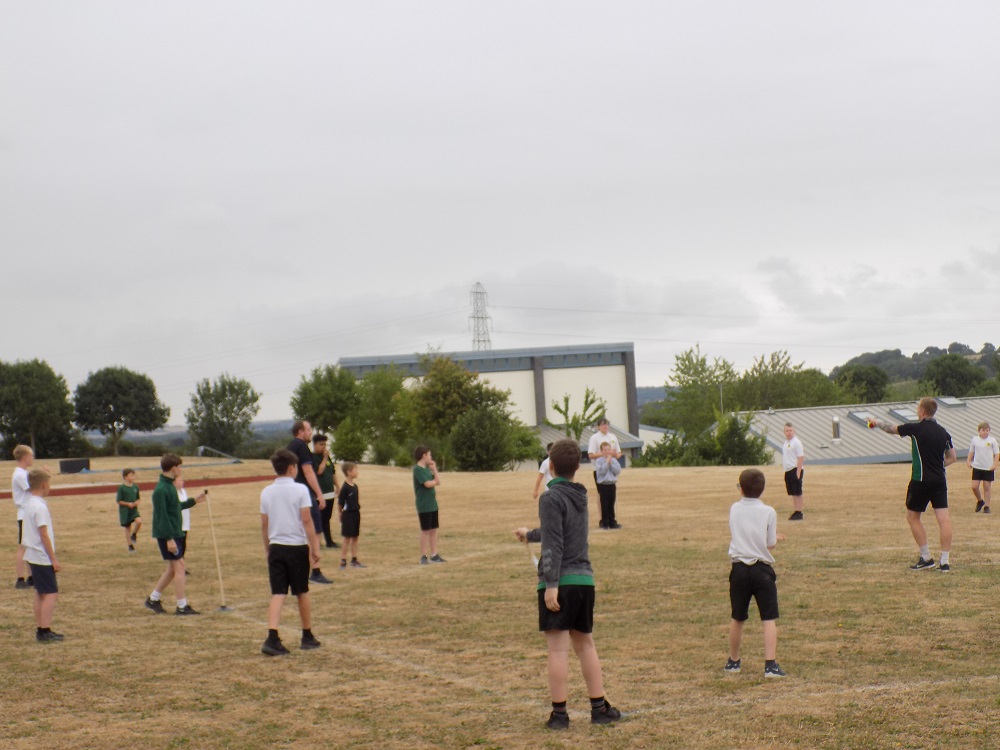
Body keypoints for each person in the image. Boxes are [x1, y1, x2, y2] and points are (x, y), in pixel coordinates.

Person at [514, 438, 622, 730]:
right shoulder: (580, 496)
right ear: (578, 468)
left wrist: (551, 584)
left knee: (559, 651)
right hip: (584, 581)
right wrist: (530, 533)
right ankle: (599, 708)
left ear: (550, 466)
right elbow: (557, 532)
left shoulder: (549, 498)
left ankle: (560, 714)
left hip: (560, 583)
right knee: (585, 645)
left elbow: (555, 543)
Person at [872, 397, 957, 572]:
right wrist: (938, 466)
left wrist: (877, 422)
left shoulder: (916, 429)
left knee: (913, 517)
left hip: (920, 480)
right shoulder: (944, 432)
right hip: (940, 480)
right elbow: (952, 457)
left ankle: (926, 557)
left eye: (918, 409)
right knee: (944, 520)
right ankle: (945, 561)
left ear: (923, 411)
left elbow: (891, 429)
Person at [725, 468, 787, 678]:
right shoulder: (768, 511)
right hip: (762, 570)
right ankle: (770, 665)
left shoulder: (734, 508)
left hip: (740, 568)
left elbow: (741, 531)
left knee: (738, 617)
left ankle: (733, 662)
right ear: (762, 490)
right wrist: (775, 538)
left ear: (741, 488)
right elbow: (769, 544)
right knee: (768, 618)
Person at [259, 448, 322, 656]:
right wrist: (315, 547)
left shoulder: (266, 492)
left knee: (278, 593)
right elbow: (306, 520)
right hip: (296, 547)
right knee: (301, 591)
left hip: (276, 546)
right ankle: (307, 635)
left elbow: (264, 525)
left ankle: (272, 636)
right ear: (291, 468)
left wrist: (268, 548)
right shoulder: (300, 490)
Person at [144, 454, 208, 614]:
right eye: (179, 467)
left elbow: (175, 507)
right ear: (173, 468)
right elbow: (162, 516)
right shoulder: (161, 489)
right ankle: (181, 606)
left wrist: (194, 501)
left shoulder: (169, 486)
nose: (180, 469)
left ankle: (153, 599)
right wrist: (169, 539)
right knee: (179, 567)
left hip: (175, 531)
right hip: (169, 534)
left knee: (173, 569)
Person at [287, 421, 332, 584]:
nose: (310, 432)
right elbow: (308, 471)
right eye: (308, 430)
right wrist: (319, 494)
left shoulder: (289, 447)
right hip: (304, 495)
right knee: (315, 532)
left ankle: (298, 570)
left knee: (298, 534)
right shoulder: (302, 447)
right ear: (300, 432)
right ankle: (315, 571)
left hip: (291, 494)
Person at [22, 468, 63, 642]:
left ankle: (41, 628)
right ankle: (45, 630)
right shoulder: (40, 506)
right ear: (44, 484)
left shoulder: (29, 503)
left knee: (40, 592)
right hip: (41, 556)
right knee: (51, 593)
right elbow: (43, 534)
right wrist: (53, 558)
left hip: (32, 554)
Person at [413, 446, 445, 565]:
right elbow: (427, 484)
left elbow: (438, 481)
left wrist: (434, 469)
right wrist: (434, 482)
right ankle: (423, 556)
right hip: (424, 505)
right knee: (425, 531)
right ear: (424, 456)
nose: (431, 457)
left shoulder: (427, 470)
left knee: (433, 530)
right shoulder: (417, 469)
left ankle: (434, 554)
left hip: (432, 504)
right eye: (429, 455)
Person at [311, 434, 340, 549]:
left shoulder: (328, 458)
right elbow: (319, 471)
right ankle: (316, 542)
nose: (324, 447)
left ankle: (329, 541)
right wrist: (324, 458)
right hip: (319, 494)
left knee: (327, 519)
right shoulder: (313, 457)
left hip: (330, 493)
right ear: (314, 445)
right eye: (321, 444)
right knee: (319, 518)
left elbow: (332, 472)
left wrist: (337, 486)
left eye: (325, 444)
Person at [11, 444, 34, 589]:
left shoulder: (23, 473)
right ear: (25, 457)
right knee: (23, 547)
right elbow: (32, 488)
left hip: (28, 513)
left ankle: (31, 576)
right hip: (24, 514)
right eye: (31, 455)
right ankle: (20, 578)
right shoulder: (20, 474)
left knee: (29, 546)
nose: (32, 458)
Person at [967, 421, 998, 514]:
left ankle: (987, 506)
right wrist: (968, 461)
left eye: (987, 430)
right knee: (974, 486)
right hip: (977, 466)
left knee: (987, 487)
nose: (985, 432)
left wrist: (995, 464)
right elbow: (971, 451)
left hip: (988, 467)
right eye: (983, 430)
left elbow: (997, 453)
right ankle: (980, 501)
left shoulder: (992, 441)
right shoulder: (975, 440)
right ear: (979, 431)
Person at [338, 461, 364, 569]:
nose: (357, 472)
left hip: (355, 513)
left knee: (355, 537)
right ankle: (343, 560)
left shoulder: (355, 486)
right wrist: (340, 514)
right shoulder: (345, 488)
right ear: (348, 472)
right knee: (347, 538)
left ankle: (354, 559)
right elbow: (340, 503)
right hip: (347, 514)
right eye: (355, 470)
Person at [594, 442, 622, 530]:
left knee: (611, 503)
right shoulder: (599, 461)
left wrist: (611, 463)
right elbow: (601, 471)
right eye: (605, 450)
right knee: (604, 504)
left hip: (611, 484)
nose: (607, 452)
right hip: (603, 485)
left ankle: (612, 522)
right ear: (602, 451)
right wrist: (607, 462)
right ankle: (605, 523)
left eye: (608, 450)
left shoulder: (614, 460)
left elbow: (617, 471)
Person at [587, 418, 621, 489]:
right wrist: (606, 453)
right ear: (598, 427)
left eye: (606, 424)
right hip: (599, 469)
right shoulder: (594, 438)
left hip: (612, 469)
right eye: (602, 424)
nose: (605, 426)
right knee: (601, 493)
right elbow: (591, 455)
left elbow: (618, 453)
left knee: (612, 493)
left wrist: (613, 455)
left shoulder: (613, 437)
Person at [782, 423, 805, 521]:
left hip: (795, 469)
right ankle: (796, 510)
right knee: (793, 492)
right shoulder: (786, 443)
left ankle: (799, 512)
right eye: (787, 431)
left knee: (798, 492)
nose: (789, 433)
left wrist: (798, 472)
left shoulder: (796, 442)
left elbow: (801, 457)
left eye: (790, 430)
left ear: (794, 431)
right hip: (788, 470)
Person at [116, 468, 142, 554]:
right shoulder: (122, 488)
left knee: (139, 521)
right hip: (125, 511)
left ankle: (134, 534)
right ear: (125, 477)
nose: (133, 477)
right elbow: (118, 500)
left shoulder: (135, 487)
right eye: (131, 475)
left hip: (134, 510)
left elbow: (138, 499)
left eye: (133, 475)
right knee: (127, 528)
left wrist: (136, 503)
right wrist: (127, 504)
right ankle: (130, 546)